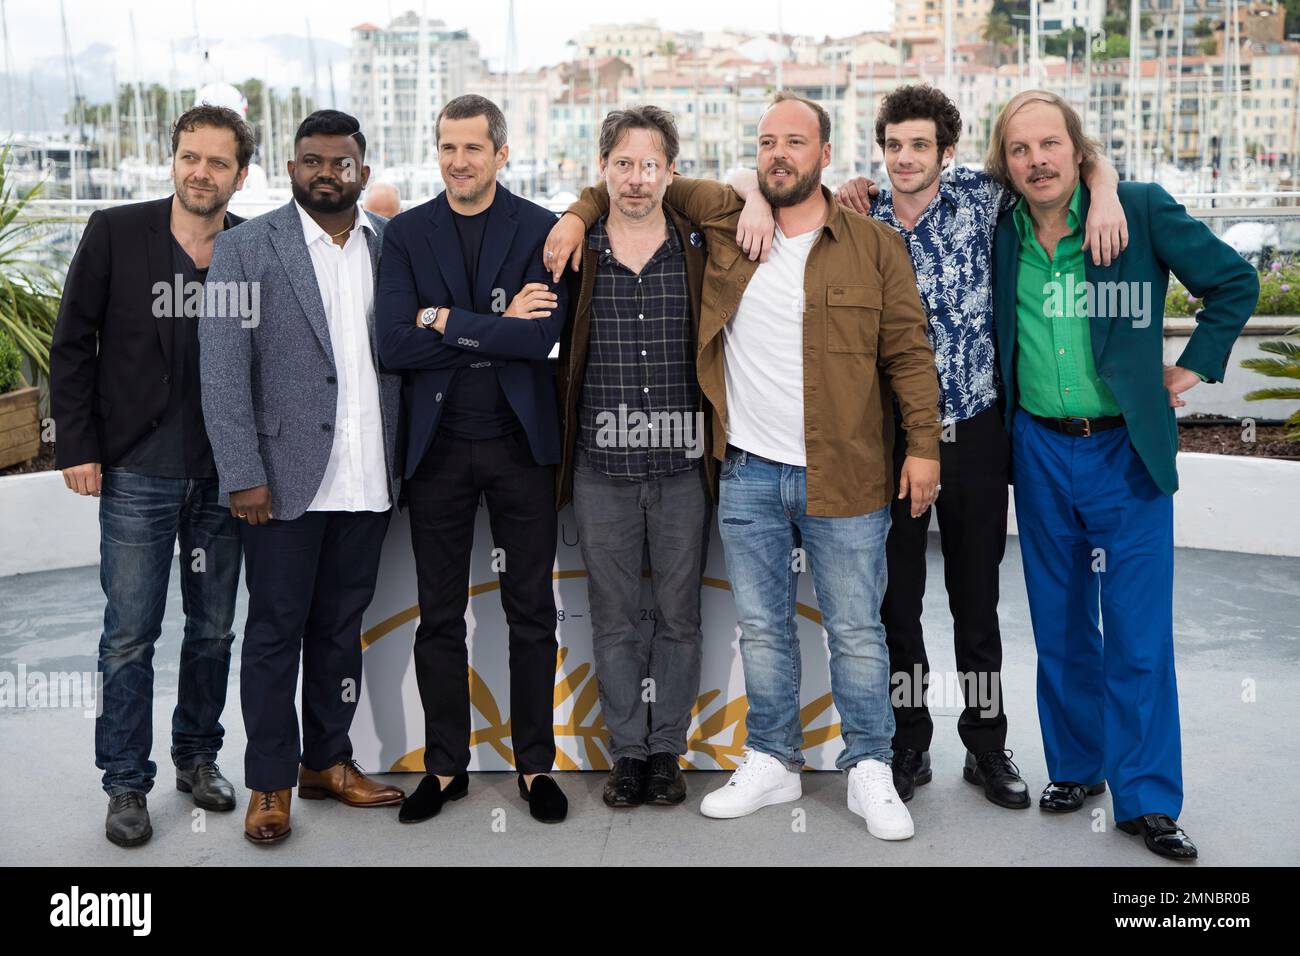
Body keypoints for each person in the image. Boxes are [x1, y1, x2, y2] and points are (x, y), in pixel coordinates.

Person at [546, 91, 941, 840]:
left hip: (848, 470)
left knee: (857, 630)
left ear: (826, 153)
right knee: (761, 629)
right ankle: (772, 758)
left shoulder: (874, 245)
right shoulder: (724, 218)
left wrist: (923, 445)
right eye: (767, 142)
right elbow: (626, 181)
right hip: (749, 472)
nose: (780, 153)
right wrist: (573, 214)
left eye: (796, 141)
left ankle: (869, 768)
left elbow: (909, 355)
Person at [829, 84, 1127, 808]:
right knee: (895, 604)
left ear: (947, 151)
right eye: (894, 144)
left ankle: (988, 746)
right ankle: (908, 740)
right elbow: (760, 190)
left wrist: (1109, 188)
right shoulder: (856, 212)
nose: (905, 157)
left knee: (977, 602)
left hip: (976, 433)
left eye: (920, 145)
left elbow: (1065, 164)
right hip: (890, 438)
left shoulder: (982, 197)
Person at [987, 90, 1259, 860]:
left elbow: (1233, 282)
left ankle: (1147, 797)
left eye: (1049, 144)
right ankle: (1077, 767)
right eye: (1019, 149)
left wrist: (1192, 368)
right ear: (1005, 164)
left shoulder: (1133, 210)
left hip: (1126, 454)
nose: (1036, 160)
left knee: (1138, 636)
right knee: (1061, 625)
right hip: (1039, 449)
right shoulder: (1000, 230)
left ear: (1076, 149)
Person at [200, 110, 405, 845]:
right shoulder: (244, 248)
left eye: (340, 162)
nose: (326, 172)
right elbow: (221, 373)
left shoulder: (391, 246)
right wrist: (243, 475)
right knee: (274, 632)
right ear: (291, 169)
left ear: (363, 172)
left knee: (340, 631)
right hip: (280, 483)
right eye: (311, 160)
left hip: (369, 476)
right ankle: (268, 783)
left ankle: (329, 761)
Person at [50, 105, 252, 847]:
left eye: (218, 162)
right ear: (174, 159)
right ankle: (124, 783)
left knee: (214, 629)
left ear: (240, 173)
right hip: (137, 469)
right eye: (190, 157)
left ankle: (198, 758)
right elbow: (71, 343)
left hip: (224, 477)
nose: (202, 172)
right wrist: (77, 444)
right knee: (129, 634)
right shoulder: (115, 230)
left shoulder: (251, 245)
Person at [376, 94, 571, 825]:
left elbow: (536, 340)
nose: (459, 161)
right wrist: (490, 325)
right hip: (437, 451)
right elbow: (392, 344)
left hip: (523, 448)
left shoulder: (542, 229)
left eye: (473, 149)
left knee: (530, 614)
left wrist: (444, 320)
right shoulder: (407, 234)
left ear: (501, 152)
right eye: (448, 148)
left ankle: (533, 767)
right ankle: (446, 768)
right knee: (437, 617)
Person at [554, 106, 716, 809]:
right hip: (600, 468)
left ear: (671, 172)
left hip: (684, 467)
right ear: (603, 169)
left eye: (650, 164)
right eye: (623, 163)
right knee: (615, 616)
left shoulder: (702, 246)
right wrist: (573, 215)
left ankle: (666, 752)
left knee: (679, 616)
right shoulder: (576, 248)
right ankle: (626, 753)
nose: (636, 178)